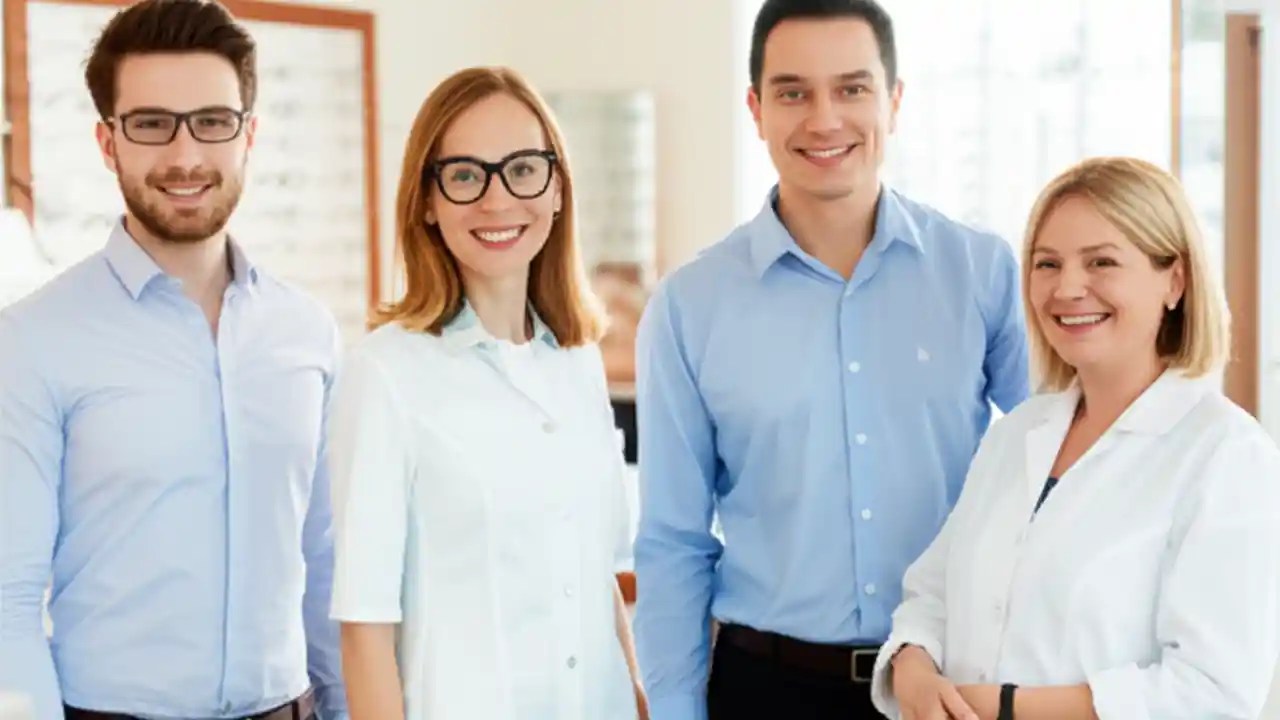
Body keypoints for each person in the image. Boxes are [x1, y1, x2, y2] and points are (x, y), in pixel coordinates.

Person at [632, 0, 1030, 718]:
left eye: (851, 88)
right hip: (766, 688)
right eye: (793, 92)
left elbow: (1061, 471)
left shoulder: (983, 273)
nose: (824, 119)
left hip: (945, 685)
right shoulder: (691, 305)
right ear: (755, 109)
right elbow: (672, 543)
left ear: (894, 100)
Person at [0, 0, 348, 719]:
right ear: (108, 141)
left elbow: (330, 571)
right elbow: (7, 597)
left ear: (249, 135)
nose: (185, 156)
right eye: (152, 124)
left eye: (213, 122)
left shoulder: (309, 334)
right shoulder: (32, 341)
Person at [873, 156, 1280, 720]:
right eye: (1047, 264)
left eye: (1102, 262)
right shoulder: (1016, 435)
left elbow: (1213, 692)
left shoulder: (1227, 455)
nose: (1067, 288)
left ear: (1175, 281)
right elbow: (932, 594)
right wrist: (913, 666)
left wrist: (1011, 708)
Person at [327, 66, 645, 720]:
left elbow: (599, 581)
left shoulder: (580, 361)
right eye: (466, 175)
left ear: (557, 189)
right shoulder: (385, 374)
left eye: (523, 169)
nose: (498, 201)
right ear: (427, 200)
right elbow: (364, 629)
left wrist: (639, 697)